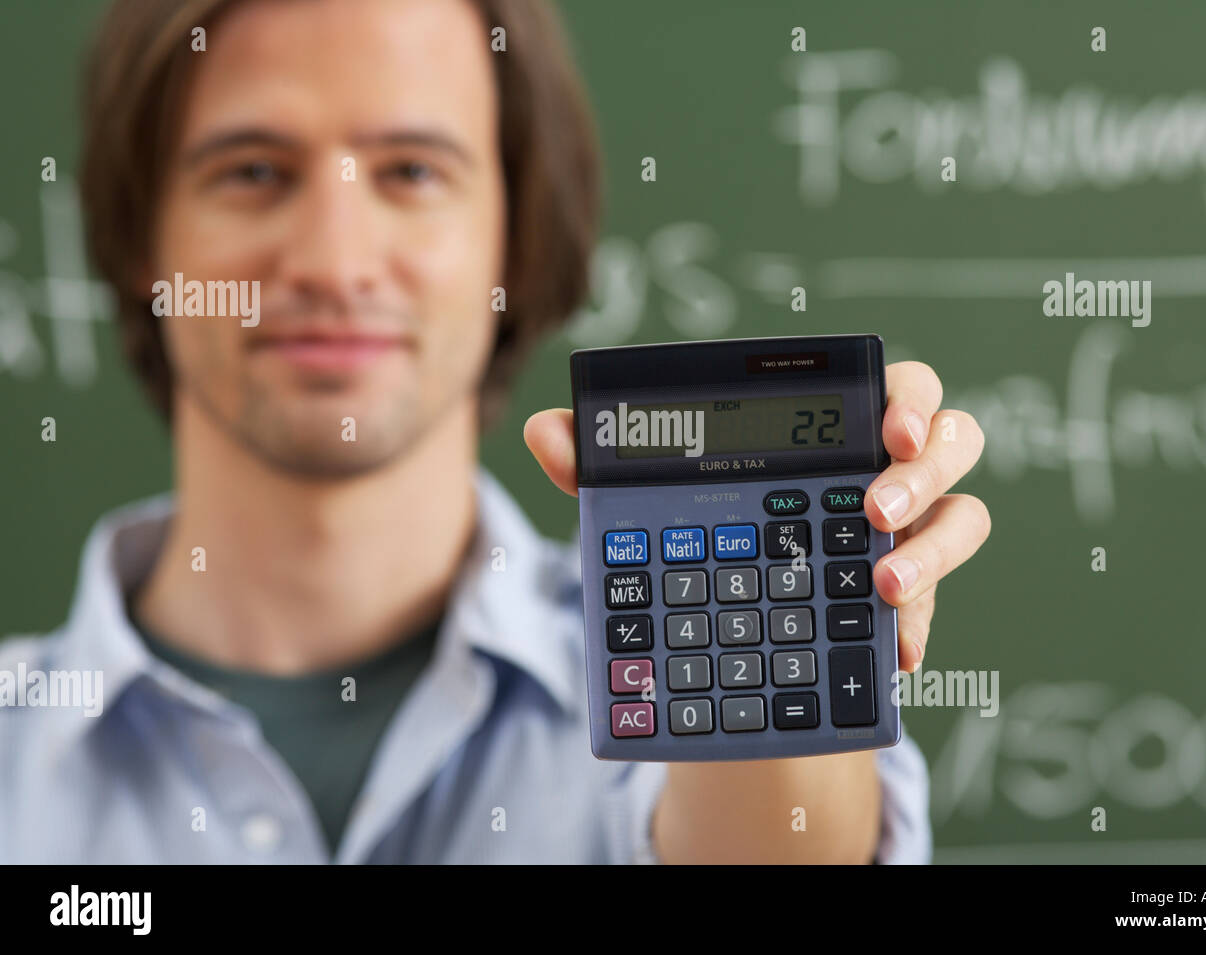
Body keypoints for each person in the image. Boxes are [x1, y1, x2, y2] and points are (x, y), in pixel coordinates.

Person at [0, 0, 990, 863]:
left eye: (412, 172)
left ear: (514, 237)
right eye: (253, 170)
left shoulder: (646, 673)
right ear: (141, 240)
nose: (336, 261)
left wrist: (795, 605)